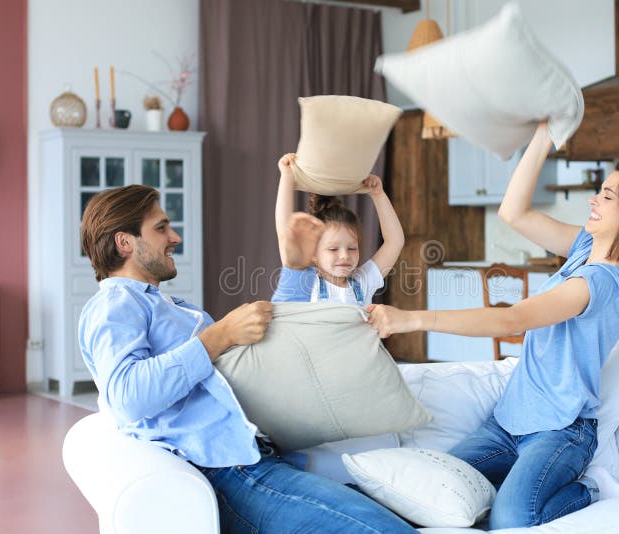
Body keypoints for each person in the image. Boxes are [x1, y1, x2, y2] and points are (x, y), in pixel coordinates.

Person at [367, 122, 619, 529]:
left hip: (561, 433)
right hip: (507, 423)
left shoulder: (602, 284)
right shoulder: (585, 247)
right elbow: (513, 212)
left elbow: (512, 318)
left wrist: (409, 318)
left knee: (511, 518)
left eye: (607, 195)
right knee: (429, 491)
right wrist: (543, 137)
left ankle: (589, 489)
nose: (595, 199)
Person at [78, 184, 416, 534]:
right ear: (125, 242)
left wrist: (297, 269)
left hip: (259, 457)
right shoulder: (115, 303)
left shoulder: (167, 306)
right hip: (234, 470)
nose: (174, 237)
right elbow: (127, 397)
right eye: (161, 228)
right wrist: (218, 336)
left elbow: (276, 335)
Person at [272, 153, 404, 304]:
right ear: (313, 253)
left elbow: (395, 241)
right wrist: (287, 176)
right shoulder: (305, 282)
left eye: (352, 248)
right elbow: (285, 234)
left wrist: (378, 195)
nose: (344, 256)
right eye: (333, 249)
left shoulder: (364, 283)